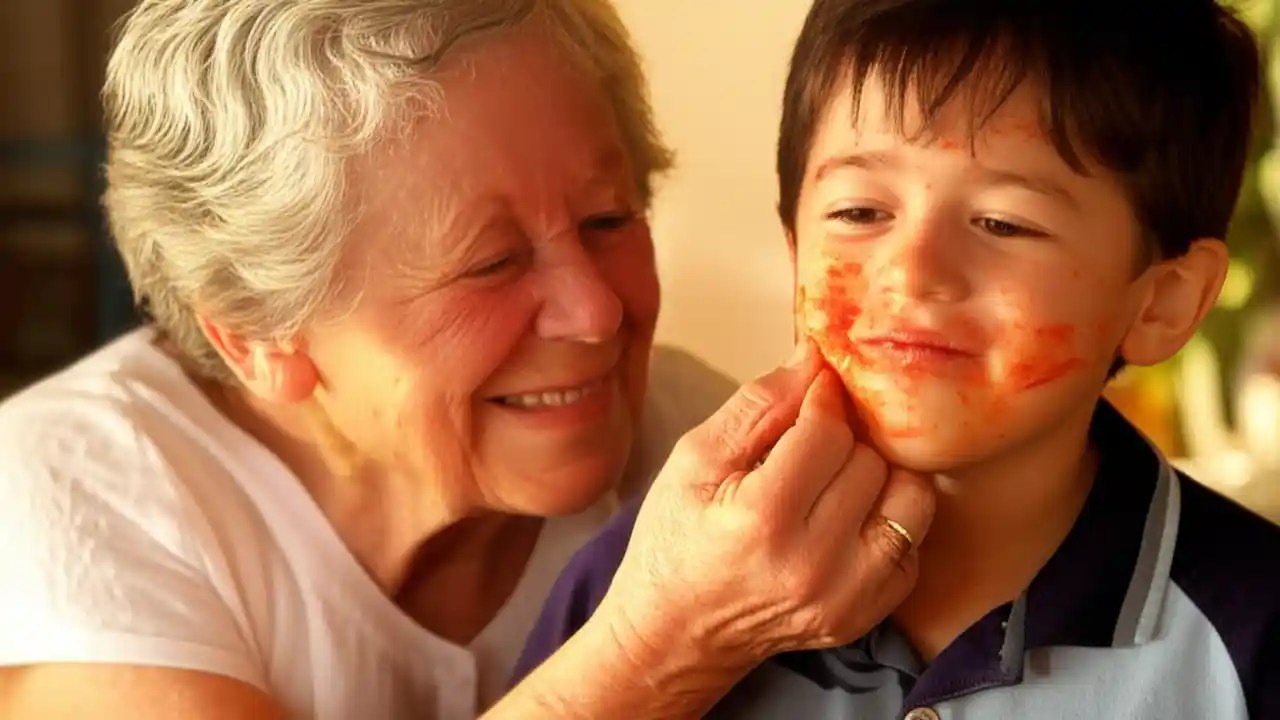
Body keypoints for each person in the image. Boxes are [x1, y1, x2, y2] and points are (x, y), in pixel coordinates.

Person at [0, 1, 935, 718]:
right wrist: (668, 642)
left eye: (610, 219)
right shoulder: (75, 490)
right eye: (489, 263)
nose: (597, 310)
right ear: (256, 333)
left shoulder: (694, 448)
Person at [514, 0, 1280, 718]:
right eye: (859, 212)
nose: (912, 272)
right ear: (794, 251)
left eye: (1003, 223)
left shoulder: (1255, 635)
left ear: (1162, 303)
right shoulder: (655, 586)